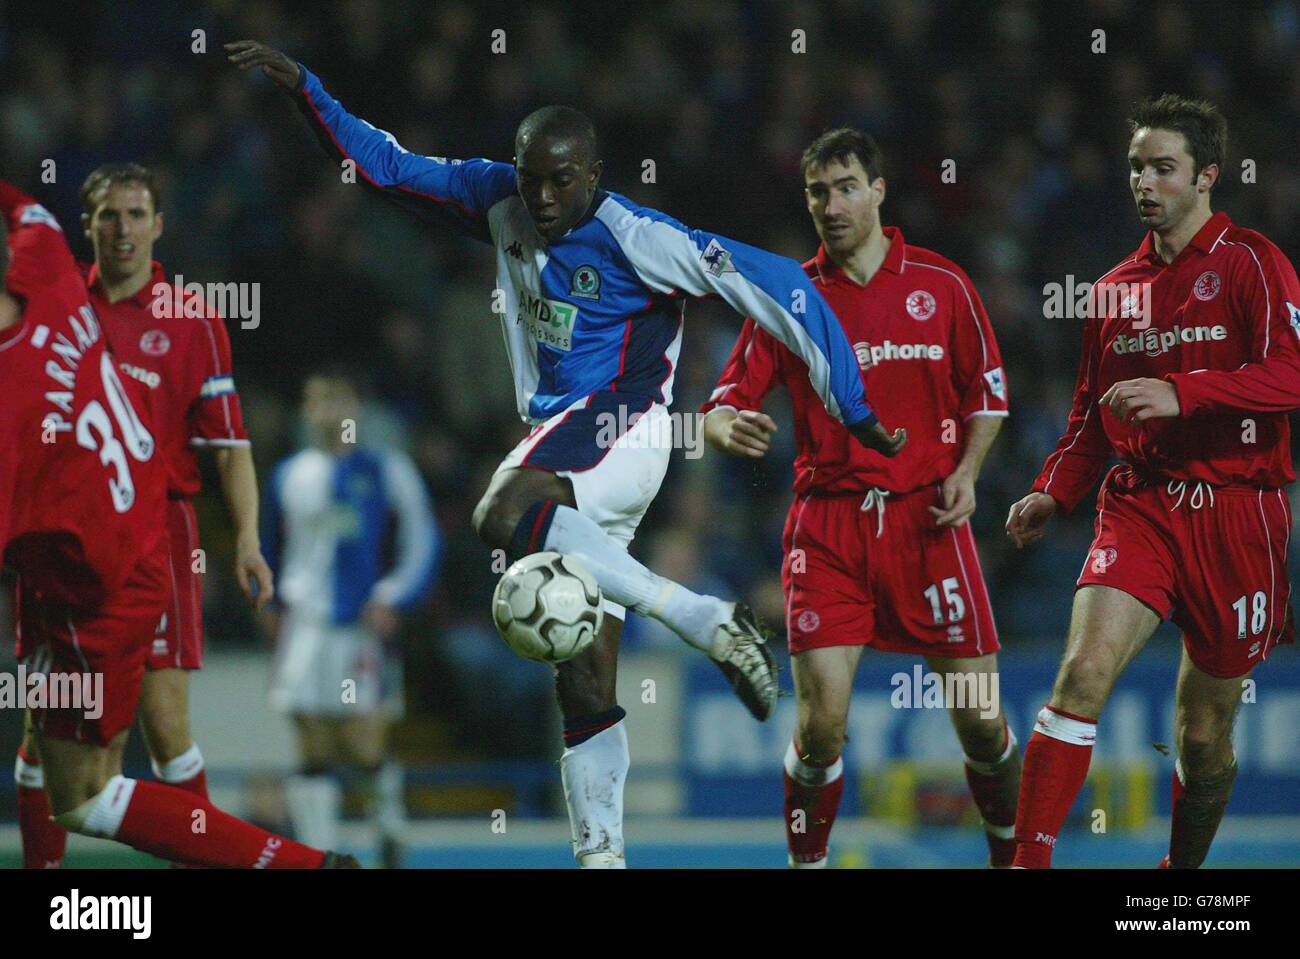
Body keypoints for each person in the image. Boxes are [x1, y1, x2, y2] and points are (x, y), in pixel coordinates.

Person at [226, 39, 906, 868]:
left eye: (561, 180)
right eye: (530, 177)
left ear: (593, 173)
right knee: (582, 681)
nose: (542, 198)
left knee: (498, 509)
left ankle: (703, 617)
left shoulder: (639, 237)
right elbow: (388, 167)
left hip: (624, 425)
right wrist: (309, 92)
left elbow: (778, 285)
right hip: (579, 458)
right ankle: (603, 857)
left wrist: (853, 400)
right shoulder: (496, 199)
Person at [0, 178, 354, 868]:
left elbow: (230, 446)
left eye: (137, 215)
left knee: (128, 754)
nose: (123, 229)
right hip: (86, 550)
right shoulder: (55, 278)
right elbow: (25, 208)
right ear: (86, 223)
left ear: (159, 223)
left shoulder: (186, 317)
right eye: (109, 215)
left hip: (128, 549)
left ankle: (280, 863)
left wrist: (247, 535)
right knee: (43, 731)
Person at [702, 128, 1019, 868]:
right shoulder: (789, 295)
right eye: (818, 191)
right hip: (830, 527)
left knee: (980, 723)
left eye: (846, 187)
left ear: (878, 190)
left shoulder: (942, 285)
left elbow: (990, 391)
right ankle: (806, 864)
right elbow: (723, 398)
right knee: (821, 724)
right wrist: (723, 425)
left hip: (930, 523)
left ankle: (1012, 855)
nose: (832, 204)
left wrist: (968, 469)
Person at [1005, 94, 1300, 868]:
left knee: (1203, 739)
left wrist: (1186, 390)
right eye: (1137, 166)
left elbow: (1291, 373)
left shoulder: (1253, 263)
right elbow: (1089, 420)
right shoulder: (1112, 291)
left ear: (1206, 176)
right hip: (1142, 506)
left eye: (1163, 167)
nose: (1145, 182)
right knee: (1082, 672)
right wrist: (1053, 491)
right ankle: (1025, 862)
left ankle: (1180, 878)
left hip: (1239, 514)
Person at [263, 369, 440, 868]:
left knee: (363, 741)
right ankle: (320, 855)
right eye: (318, 401)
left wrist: (393, 595)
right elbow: (271, 548)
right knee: (311, 739)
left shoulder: (388, 469)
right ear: (306, 411)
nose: (330, 412)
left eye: (339, 400)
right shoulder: (289, 475)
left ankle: (389, 826)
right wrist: (272, 606)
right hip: (305, 626)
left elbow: (423, 541)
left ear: (357, 408)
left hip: (361, 624)